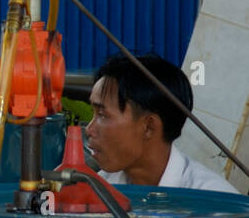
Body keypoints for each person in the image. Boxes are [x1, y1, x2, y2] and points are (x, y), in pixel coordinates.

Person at [86, 52, 240, 193]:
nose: (89, 130)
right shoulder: (99, 189)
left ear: (149, 127)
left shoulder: (214, 202)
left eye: (102, 115)